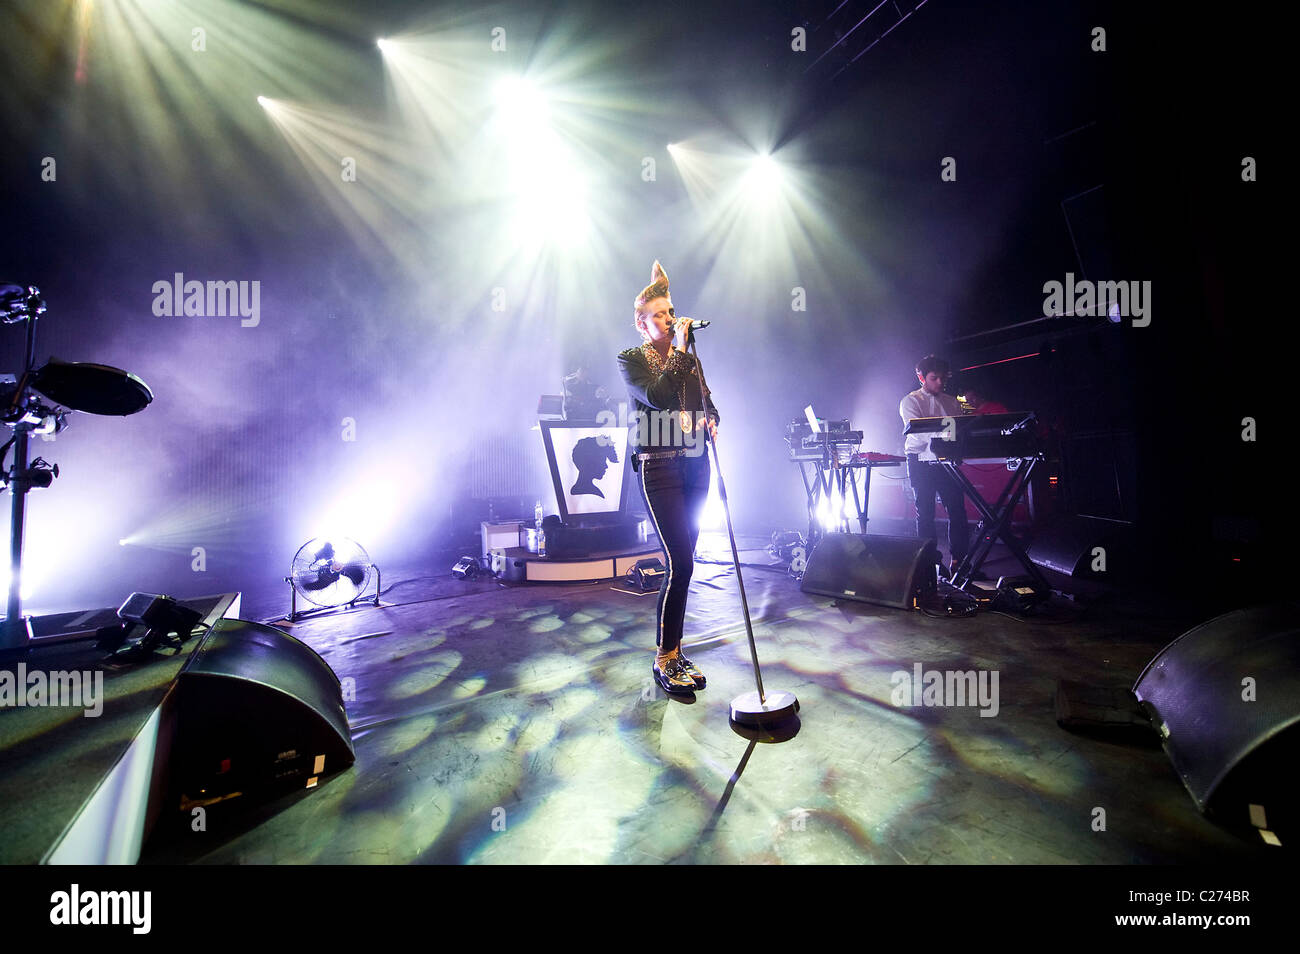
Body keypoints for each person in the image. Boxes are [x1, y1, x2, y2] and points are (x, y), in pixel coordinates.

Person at [616, 261, 718, 695]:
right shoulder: (631, 360)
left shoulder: (690, 359)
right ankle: (663, 659)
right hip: (659, 468)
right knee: (681, 561)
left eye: (670, 310)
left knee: (686, 564)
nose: (669, 318)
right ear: (641, 323)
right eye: (659, 314)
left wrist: (712, 419)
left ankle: (674, 650)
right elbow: (657, 397)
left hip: (696, 465)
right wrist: (678, 346)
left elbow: (708, 402)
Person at [899, 354, 969, 575]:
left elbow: (959, 431)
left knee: (957, 509)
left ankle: (960, 561)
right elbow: (918, 433)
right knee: (925, 512)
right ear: (921, 377)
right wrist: (946, 437)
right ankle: (929, 563)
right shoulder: (910, 401)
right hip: (920, 461)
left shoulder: (952, 401)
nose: (940, 383)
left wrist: (955, 445)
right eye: (934, 378)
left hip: (946, 462)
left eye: (943, 378)